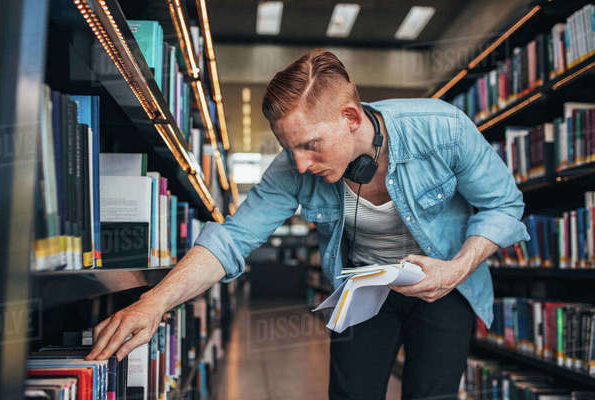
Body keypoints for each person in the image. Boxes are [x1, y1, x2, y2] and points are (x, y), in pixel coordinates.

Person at [86, 49, 529, 399]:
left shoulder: (443, 130)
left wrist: (457, 268)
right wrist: (154, 302)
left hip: (446, 282)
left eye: (310, 145)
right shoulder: (292, 169)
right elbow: (232, 239)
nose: (299, 162)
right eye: (289, 147)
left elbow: (504, 206)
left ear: (351, 118)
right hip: (365, 289)